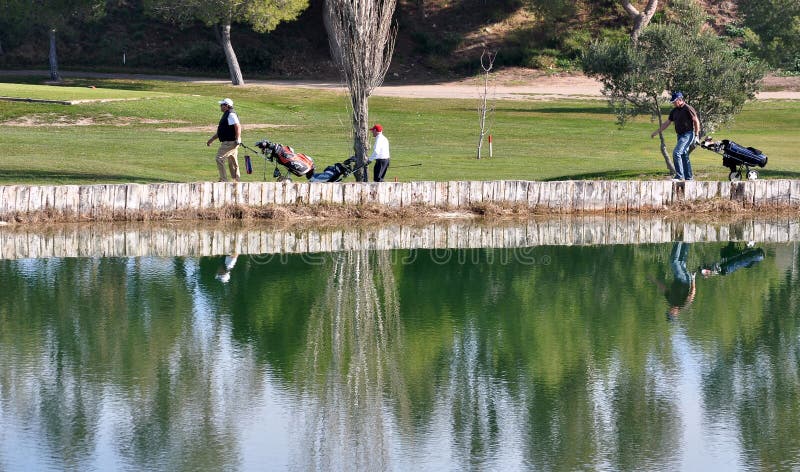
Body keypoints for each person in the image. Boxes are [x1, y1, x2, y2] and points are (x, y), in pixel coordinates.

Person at [650, 91, 701, 181]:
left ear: (680, 100)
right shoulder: (674, 111)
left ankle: (679, 176)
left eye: (674, 101)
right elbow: (667, 123)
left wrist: (696, 135)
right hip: (680, 135)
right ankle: (689, 177)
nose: (673, 103)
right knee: (684, 155)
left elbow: (696, 121)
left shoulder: (688, 108)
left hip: (688, 134)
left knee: (676, 152)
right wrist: (657, 131)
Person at [651, 242, 696, 320]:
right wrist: (693, 279)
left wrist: (654, 280)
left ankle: (687, 240)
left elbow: (663, 288)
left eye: (669, 312)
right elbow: (692, 293)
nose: (670, 310)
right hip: (684, 279)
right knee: (674, 262)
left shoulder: (670, 301)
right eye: (671, 313)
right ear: (675, 313)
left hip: (679, 277)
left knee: (681, 261)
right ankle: (678, 241)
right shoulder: (683, 305)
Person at [206, 98, 242, 182]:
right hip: (231, 142)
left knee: (219, 158)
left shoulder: (231, 114)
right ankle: (236, 180)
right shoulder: (227, 114)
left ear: (227, 106)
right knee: (232, 161)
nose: (220, 106)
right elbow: (222, 131)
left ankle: (223, 180)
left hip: (230, 142)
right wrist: (212, 139)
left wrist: (237, 139)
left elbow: (238, 126)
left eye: (222, 105)